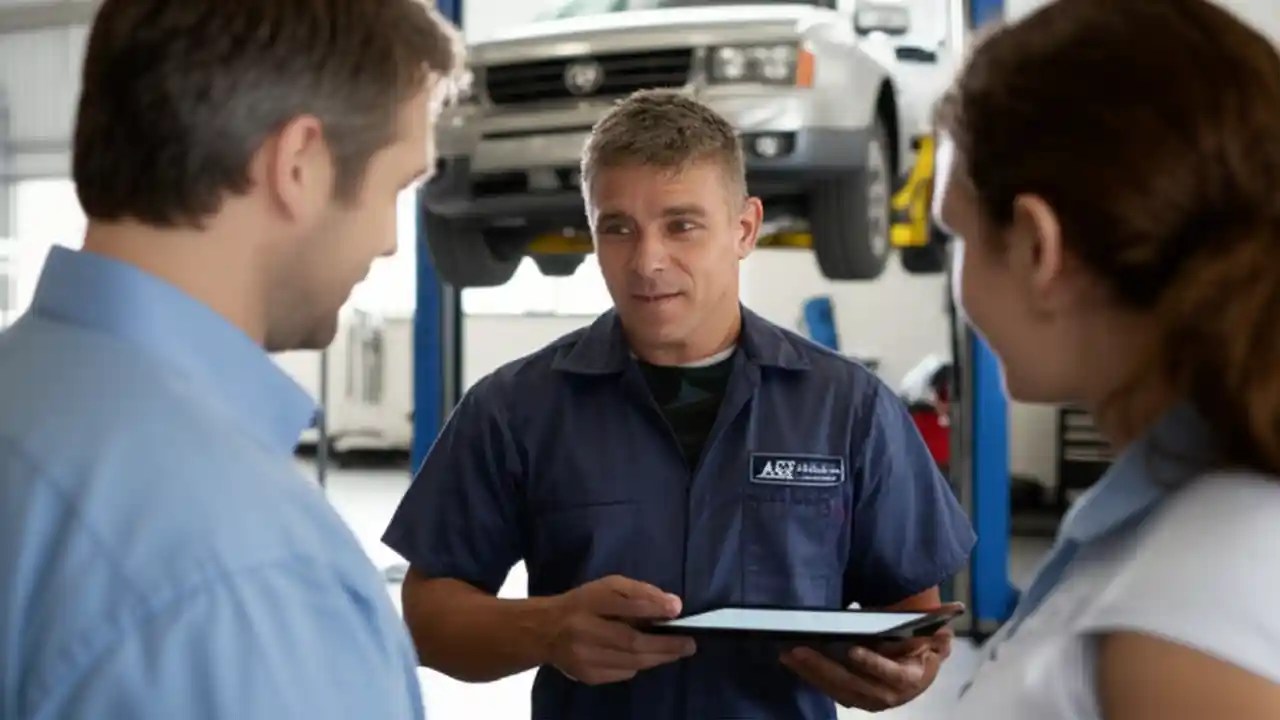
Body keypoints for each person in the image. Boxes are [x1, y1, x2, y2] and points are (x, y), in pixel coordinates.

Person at [383, 89, 977, 719]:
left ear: (744, 228)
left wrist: (907, 671)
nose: (647, 262)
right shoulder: (514, 409)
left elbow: (912, 611)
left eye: (681, 225)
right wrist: (548, 629)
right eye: (617, 229)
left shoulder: (849, 409)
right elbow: (428, 614)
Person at [0, 1, 462, 717]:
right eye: (396, 189)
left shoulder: (24, 401)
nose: (389, 243)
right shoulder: (250, 573)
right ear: (299, 163)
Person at [933, 1, 1280, 717]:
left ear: (1037, 248)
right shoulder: (1206, 526)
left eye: (958, 238)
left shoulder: (1185, 616)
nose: (961, 284)